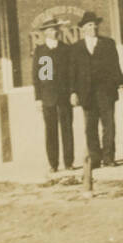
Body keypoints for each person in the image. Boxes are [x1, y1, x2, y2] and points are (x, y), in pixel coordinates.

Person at [70, 11, 123, 169]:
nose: (93, 27)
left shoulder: (108, 43)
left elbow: (115, 66)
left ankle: (109, 158)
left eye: (94, 24)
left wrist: (120, 84)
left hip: (106, 90)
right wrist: (73, 92)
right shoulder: (76, 48)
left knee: (109, 125)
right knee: (90, 127)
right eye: (89, 25)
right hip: (87, 92)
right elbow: (72, 72)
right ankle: (95, 158)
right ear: (82, 28)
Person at [32, 18, 75, 173]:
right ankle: (53, 164)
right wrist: (38, 98)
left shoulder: (66, 49)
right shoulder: (40, 51)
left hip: (64, 95)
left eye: (55, 29)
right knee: (50, 130)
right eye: (50, 30)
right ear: (44, 33)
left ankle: (69, 162)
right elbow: (37, 76)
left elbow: (71, 74)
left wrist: (72, 92)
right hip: (47, 96)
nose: (53, 32)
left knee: (67, 128)